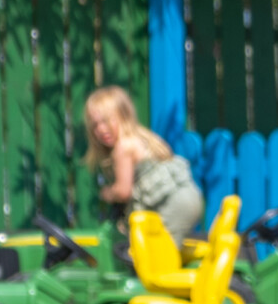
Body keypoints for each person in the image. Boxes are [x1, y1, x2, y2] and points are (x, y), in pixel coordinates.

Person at [84, 85, 204, 238]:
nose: (101, 129)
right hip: (190, 197)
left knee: (156, 255)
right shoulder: (144, 138)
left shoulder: (123, 147)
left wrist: (108, 193)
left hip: (172, 206)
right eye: (95, 125)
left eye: (107, 121)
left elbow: (123, 191)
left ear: (124, 116)